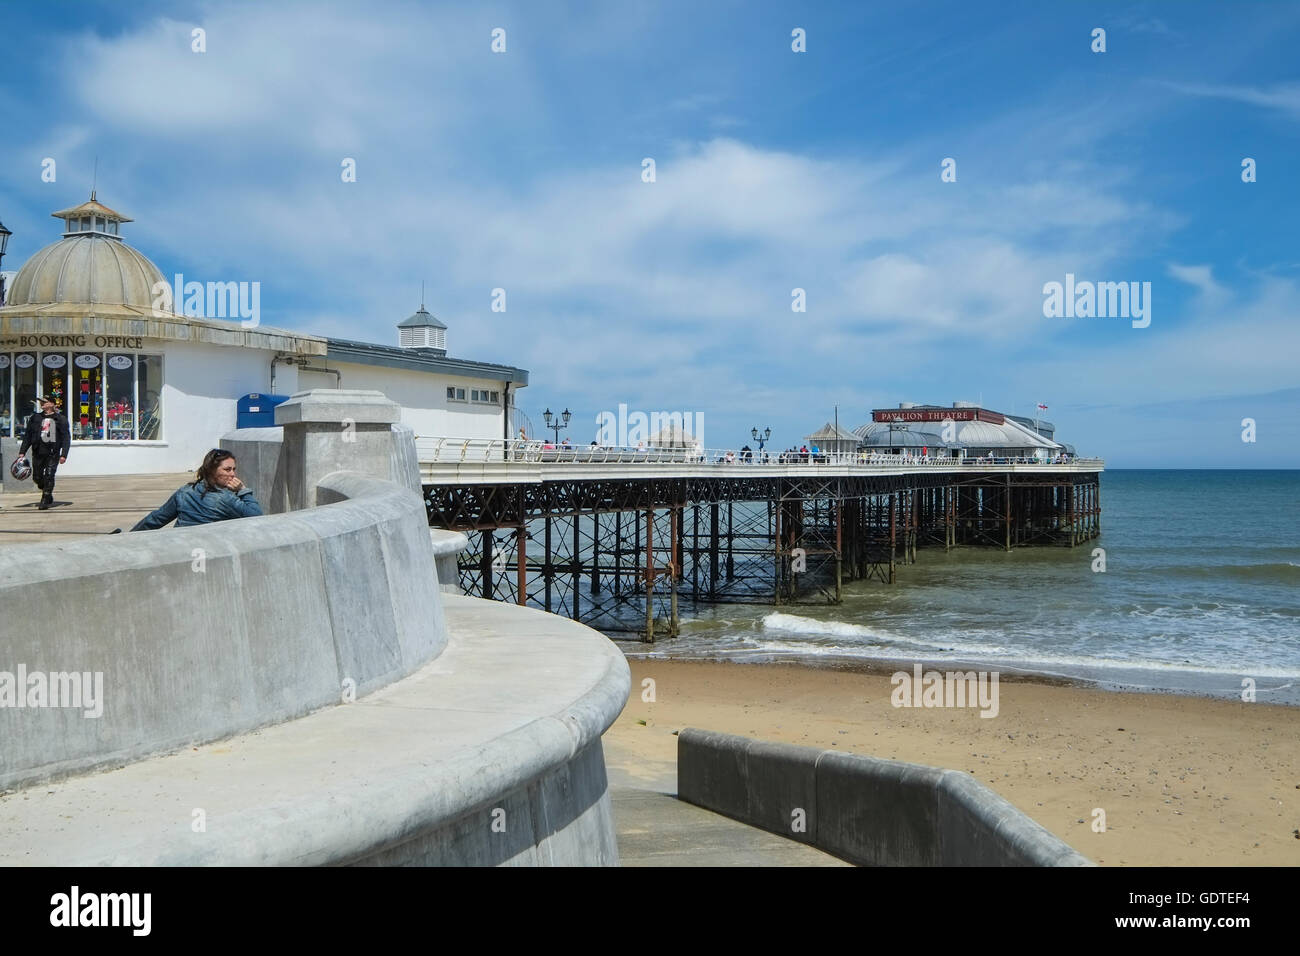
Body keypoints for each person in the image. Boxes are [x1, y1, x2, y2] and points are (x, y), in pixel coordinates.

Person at [131, 448, 263, 530]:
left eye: (234, 469)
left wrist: (127, 537)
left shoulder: (185, 491)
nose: (232, 474)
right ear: (212, 470)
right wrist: (243, 490)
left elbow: (155, 519)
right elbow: (257, 517)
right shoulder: (225, 499)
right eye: (227, 469)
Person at [18, 395, 71, 511]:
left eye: (45, 402)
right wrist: (22, 451)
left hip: (53, 452)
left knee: (49, 475)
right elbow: (28, 435)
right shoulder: (35, 418)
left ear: (52, 404)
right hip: (38, 451)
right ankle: (47, 490)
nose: (42, 404)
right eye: (41, 402)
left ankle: (45, 499)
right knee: (37, 477)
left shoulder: (60, 419)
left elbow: (66, 437)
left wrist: (64, 454)